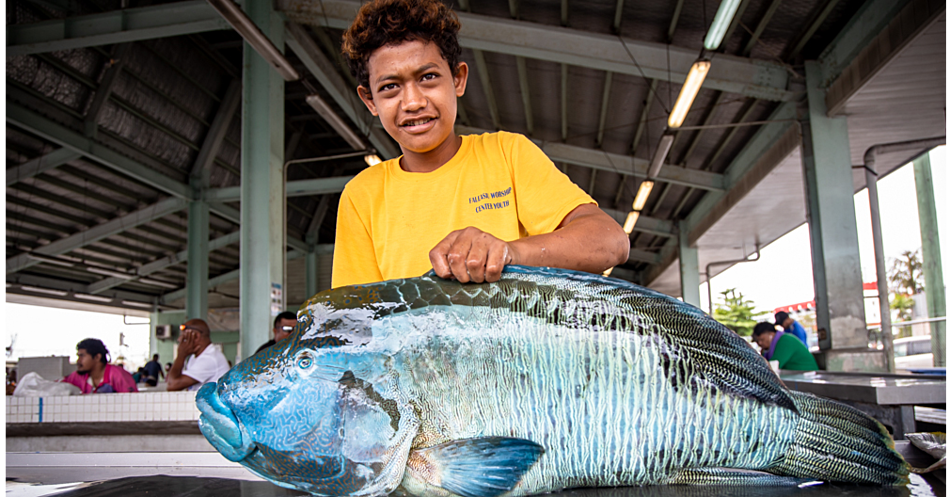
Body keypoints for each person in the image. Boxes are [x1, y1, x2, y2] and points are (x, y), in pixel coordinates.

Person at [332, 0, 629, 288]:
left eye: (428, 77)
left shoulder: (507, 154)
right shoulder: (362, 196)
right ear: (370, 100)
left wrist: (509, 253)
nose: (413, 102)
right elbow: (357, 318)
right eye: (390, 87)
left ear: (458, 79)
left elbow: (610, 242)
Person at [166, 319, 230, 392]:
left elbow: (172, 385)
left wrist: (181, 356)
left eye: (183, 335)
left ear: (196, 336)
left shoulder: (209, 358)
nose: (179, 339)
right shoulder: (195, 357)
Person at [61, 338, 138, 394]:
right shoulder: (77, 376)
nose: (78, 361)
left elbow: (132, 402)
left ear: (97, 357)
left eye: (82, 356)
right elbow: (57, 387)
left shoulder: (118, 375)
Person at [751, 322, 819, 372]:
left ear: (771, 334)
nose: (760, 343)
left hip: (808, 375)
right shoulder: (767, 350)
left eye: (762, 340)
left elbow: (772, 366)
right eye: (758, 341)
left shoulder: (785, 340)